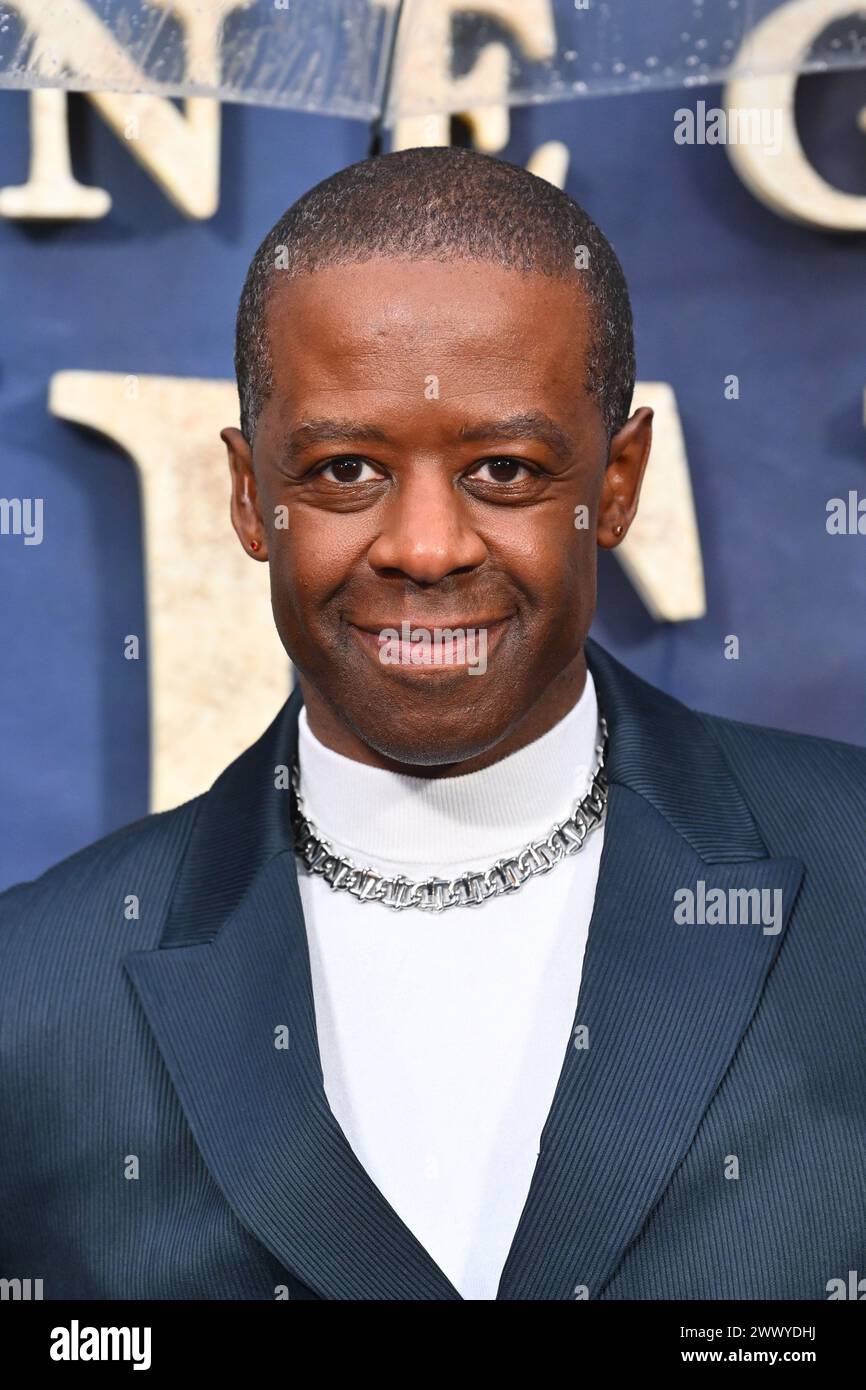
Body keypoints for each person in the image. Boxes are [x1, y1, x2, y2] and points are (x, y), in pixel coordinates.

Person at [1, 147, 864, 1302]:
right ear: (247, 492)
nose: (423, 546)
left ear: (614, 483)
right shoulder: (36, 994)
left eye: (502, 469)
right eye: (343, 468)